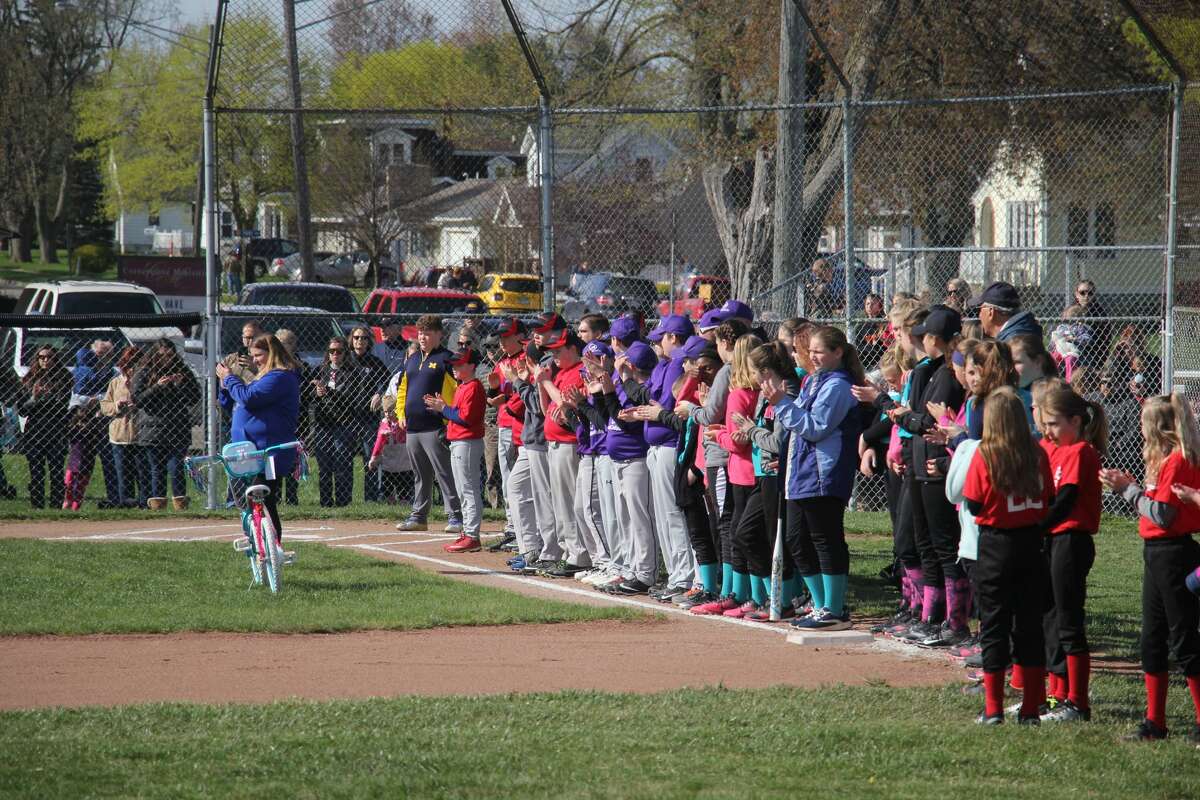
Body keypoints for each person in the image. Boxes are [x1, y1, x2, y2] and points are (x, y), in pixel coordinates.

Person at [1101, 394, 1200, 743]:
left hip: (1174, 554)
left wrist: (1127, 490)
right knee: (1151, 640)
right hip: (1156, 554)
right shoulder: (1162, 462)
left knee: (1184, 639)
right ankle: (1155, 722)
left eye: (1143, 422)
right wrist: (1132, 487)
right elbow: (1154, 505)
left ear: (1157, 427)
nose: (1138, 429)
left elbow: (1162, 515)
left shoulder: (1177, 462)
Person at [963, 385, 1055, 726]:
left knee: (995, 625)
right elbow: (1049, 497)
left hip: (996, 545)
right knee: (1029, 626)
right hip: (1032, 544)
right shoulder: (1038, 452)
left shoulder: (986, 454)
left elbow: (973, 503)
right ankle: (1031, 707)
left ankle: (993, 708)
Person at [766, 325, 865, 631]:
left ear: (838, 352)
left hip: (824, 472)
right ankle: (822, 604)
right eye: (811, 351)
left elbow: (816, 427)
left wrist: (782, 403)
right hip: (801, 472)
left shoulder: (838, 385)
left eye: (820, 351)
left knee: (825, 538)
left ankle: (834, 609)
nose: (814, 356)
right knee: (797, 539)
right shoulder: (813, 381)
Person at [1036, 385, 1106, 723]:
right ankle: (1056, 696)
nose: (1047, 431)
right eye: (1044, 424)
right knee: (1049, 618)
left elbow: (1064, 502)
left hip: (1071, 540)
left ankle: (1078, 703)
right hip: (1052, 540)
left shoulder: (1081, 451)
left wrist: (1034, 526)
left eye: (1054, 423)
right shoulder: (1051, 448)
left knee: (1068, 620)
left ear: (1075, 421)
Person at [622, 314, 697, 601]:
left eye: (661, 339)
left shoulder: (679, 363)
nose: (657, 345)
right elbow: (649, 400)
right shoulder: (665, 364)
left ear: (674, 338)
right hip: (657, 446)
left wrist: (653, 410)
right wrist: (640, 410)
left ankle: (683, 576)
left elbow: (665, 407)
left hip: (669, 445)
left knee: (672, 514)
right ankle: (677, 576)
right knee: (664, 517)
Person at [695, 332, 761, 616]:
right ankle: (742, 593)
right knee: (738, 531)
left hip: (739, 468)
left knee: (734, 530)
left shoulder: (738, 391)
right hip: (743, 468)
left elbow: (736, 439)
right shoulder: (752, 391)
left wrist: (717, 434)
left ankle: (738, 593)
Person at [217, 334, 301, 550]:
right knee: (254, 499)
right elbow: (234, 402)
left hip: (268, 451)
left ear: (271, 353)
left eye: (259, 355)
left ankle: (272, 547)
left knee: (263, 496)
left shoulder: (280, 376)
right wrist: (225, 385)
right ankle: (258, 541)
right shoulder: (264, 377)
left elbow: (248, 397)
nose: (254, 360)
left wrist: (230, 378)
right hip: (249, 449)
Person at [394, 315, 463, 532]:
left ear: (439, 335)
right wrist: (401, 413)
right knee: (420, 474)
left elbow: (460, 390)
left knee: (444, 472)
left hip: (436, 426)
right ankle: (419, 516)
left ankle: (455, 516)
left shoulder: (446, 359)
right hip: (413, 426)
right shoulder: (413, 359)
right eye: (420, 333)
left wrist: (448, 412)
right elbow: (403, 389)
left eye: (428, 333)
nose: (423, 337)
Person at [426, 347, 487, 553]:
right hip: (460, 441)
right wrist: (443, 407)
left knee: (468, 490)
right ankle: (468, 533)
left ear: (471, 366)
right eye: (454, 364)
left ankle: (472, 535)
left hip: (467, 442)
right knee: (463, 490)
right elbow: (458, 414)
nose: (455, 367)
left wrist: (443, 409)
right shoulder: (463, 386)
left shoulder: (473, 387)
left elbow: (465, 418)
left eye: (460, 364)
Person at [133, 339, 200, 510]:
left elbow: (194, 397)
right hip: (152, 429)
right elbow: (138, 399)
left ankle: (180, 503)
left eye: (171, 355)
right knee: (157, 468)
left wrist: (180, 384)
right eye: (163, 356)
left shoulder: (182, 371)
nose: (168, 360)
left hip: (178, 427)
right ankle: (158, 504)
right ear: (155, 356)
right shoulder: (144, 371)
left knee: (176, 466)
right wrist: (157, 387)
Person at [310, 336, 360, 507]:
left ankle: (343, 502)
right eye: (332, 351)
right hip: (323, 423)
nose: (335, 354)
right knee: (324, 464)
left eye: (339, 351)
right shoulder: (319, 370)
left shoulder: (352, 373)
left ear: (345, 353)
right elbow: (308, 396)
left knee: (342, 462)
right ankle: (325, 501)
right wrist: (316, 392)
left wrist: (328, 392)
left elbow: (349, 398)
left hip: (343, 423)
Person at [19, 346, 71, 509]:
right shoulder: (29, 379)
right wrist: (35, 398)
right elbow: (22, 410)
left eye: (49, 357)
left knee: (56, 471)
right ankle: (37, 505)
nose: (45, 360)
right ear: (37, 359)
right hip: (34, 430)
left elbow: (61, 406)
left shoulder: (64, 378)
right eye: (41, 357)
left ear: (56, 359)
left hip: (56, 429)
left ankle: (56, 506)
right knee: (36, 471)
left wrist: (42, 399)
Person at [349, 325, 390, 503]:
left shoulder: (374, 362)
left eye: (364, 338)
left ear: (369, 341)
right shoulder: (346, 360)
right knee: (345, 459)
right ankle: (345, 500)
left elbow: (388, 380)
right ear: (351, 340)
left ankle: (371, 498)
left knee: (370, 457)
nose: (360, 341)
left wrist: (379, 394)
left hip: (368, 417)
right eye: (357, 337)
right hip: (346, 417)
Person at [100, 346, 145, 508]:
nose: (132, 368)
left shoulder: (144, 381)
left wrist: (137, 402)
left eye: (136, 364)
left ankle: (144, 504)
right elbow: (105, 406)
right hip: (119, 436)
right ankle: (125, 504)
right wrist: (117, 406)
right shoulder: (115, 382)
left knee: (142, 474)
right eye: (129, 364)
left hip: (140, 435)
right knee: (122, 475)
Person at [968, 281, 1043, 342]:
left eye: (980, 309)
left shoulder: (1011, 343)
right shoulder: (1023, 332)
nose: (979, 315)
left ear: (991, 312)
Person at [855, 293, 890, 371]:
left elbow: (885, 347)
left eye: (873, 303)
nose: (869, 306)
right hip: (866, 362)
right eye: (867, 304)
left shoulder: (884, 324)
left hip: (881, 362)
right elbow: (859, 347)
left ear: (880, 306)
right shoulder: (861, 327)